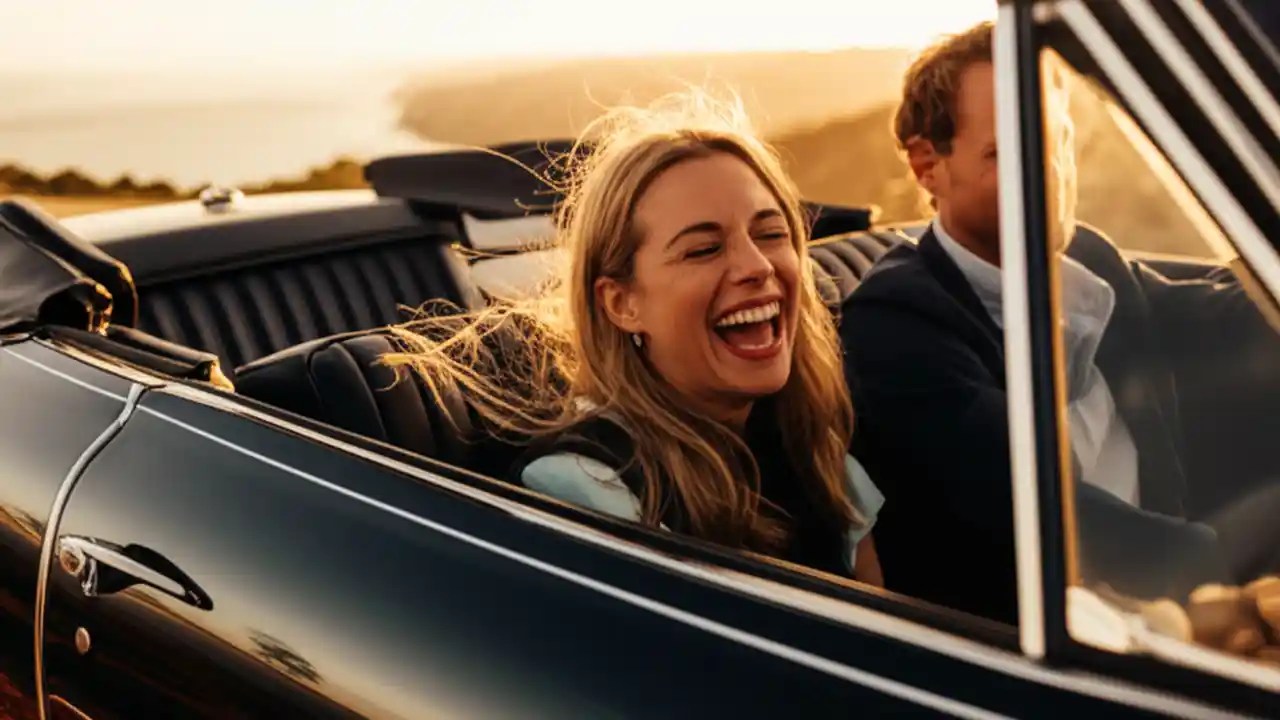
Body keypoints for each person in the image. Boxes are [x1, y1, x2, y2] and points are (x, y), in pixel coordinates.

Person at [839, 22, 1280, 622]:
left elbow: (1221, 316)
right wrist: (1237, 579)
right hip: (1040, 644)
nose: (1050, 173)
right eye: (1009, 152)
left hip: (1165, 609)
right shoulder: (895, 323)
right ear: (928, 166)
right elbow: (1049, 507)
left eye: (1058, 142)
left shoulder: (1088, 261)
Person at [381, 92, 885, 585]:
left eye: (772, 234)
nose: (756, 265)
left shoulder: (814, 447)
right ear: (623, 303)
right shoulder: (590, 490)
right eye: (704, 249)